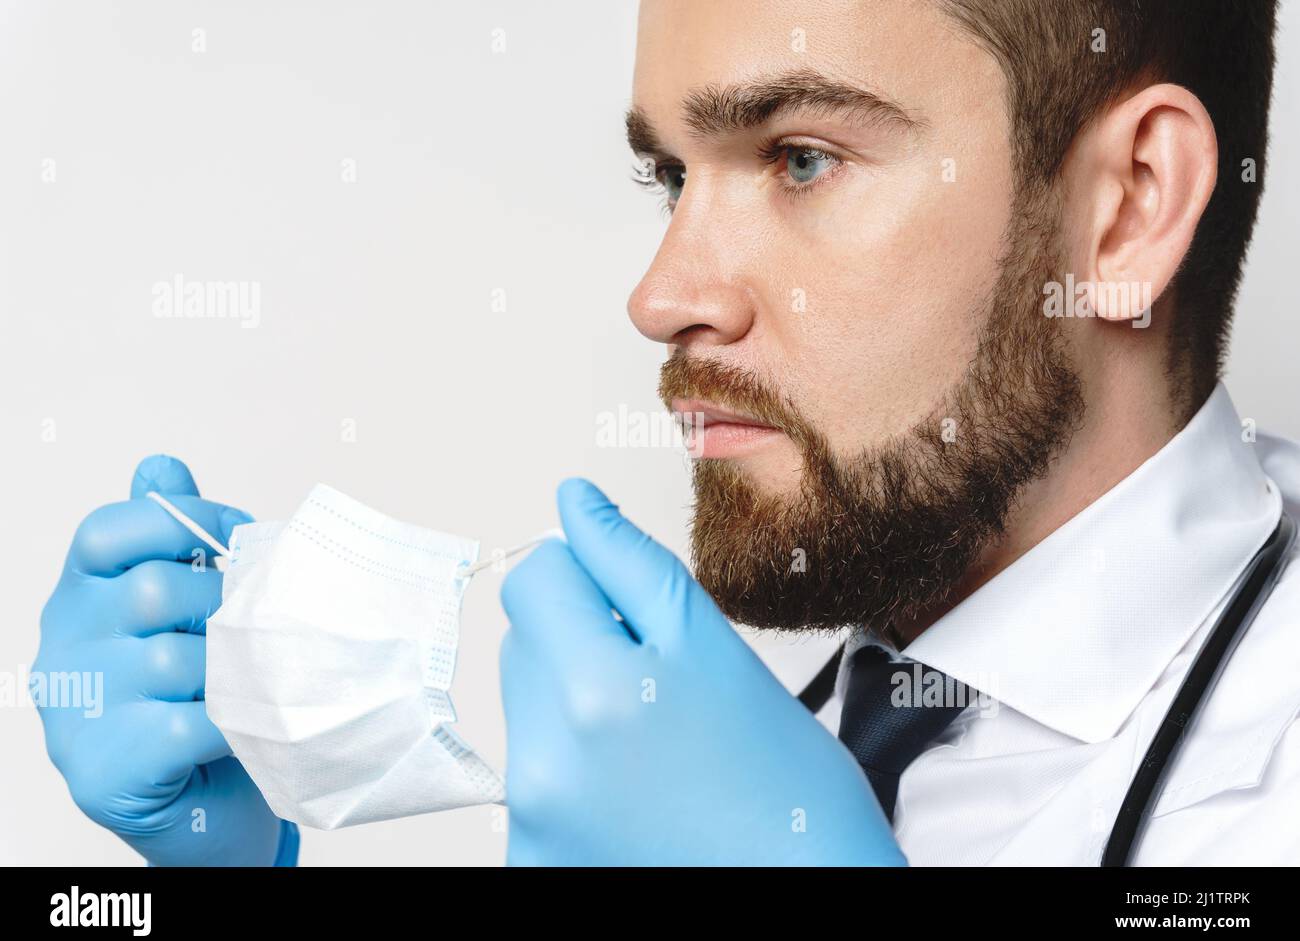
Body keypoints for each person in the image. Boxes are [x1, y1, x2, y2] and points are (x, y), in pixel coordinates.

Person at [34, 0, 1296, 865]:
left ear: (1129, 209)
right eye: (671, 175)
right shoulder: (765, 748)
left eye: (799, 158)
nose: (661, 296)